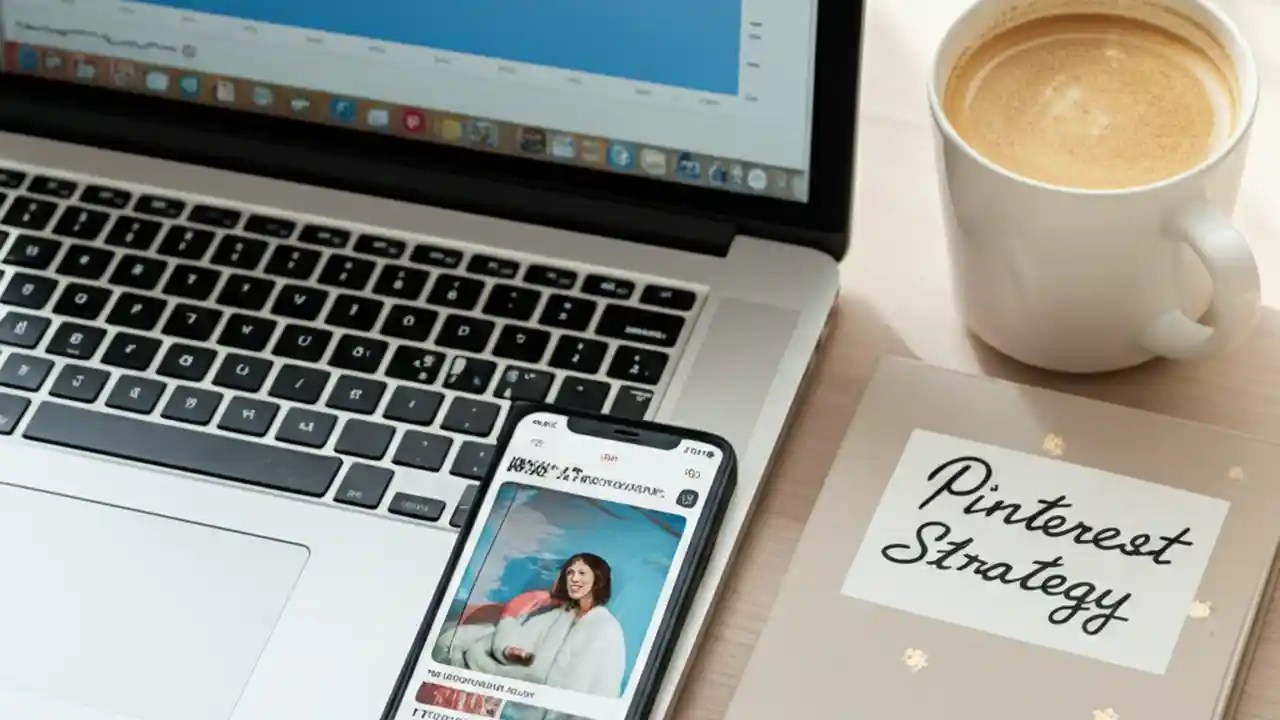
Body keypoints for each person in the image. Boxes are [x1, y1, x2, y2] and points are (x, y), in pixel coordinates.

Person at [437, 553, 627, 697]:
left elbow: (604, 687)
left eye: (582, 573)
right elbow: (511, 643)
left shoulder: (607, 629)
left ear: (598, 579)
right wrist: (510, 648)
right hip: (500, 676)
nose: (574, 578)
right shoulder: (555, 617)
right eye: (570, 573)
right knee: (455, 640)